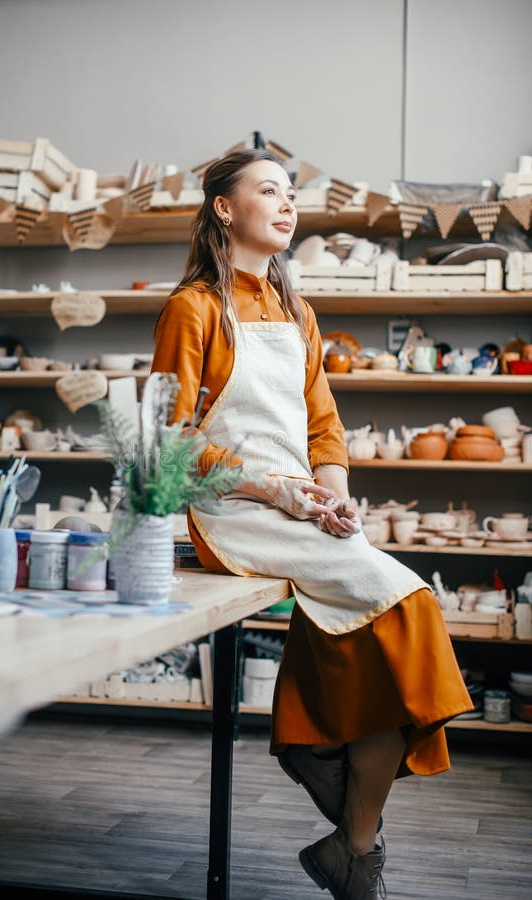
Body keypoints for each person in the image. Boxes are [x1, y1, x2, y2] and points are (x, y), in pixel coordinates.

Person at [151, 149, 472, 899]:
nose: (287, 204)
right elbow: (170, 439)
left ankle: (350, 842)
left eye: (291, 194)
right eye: (268, 191)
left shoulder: (298, 312)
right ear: (224, 209)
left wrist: (331, 494)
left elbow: (323, 430)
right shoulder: (193, 306)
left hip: (299, 503)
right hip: (233, 508)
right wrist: (274, 491)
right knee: (411, 602)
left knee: (387, 662)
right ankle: (333, 799)